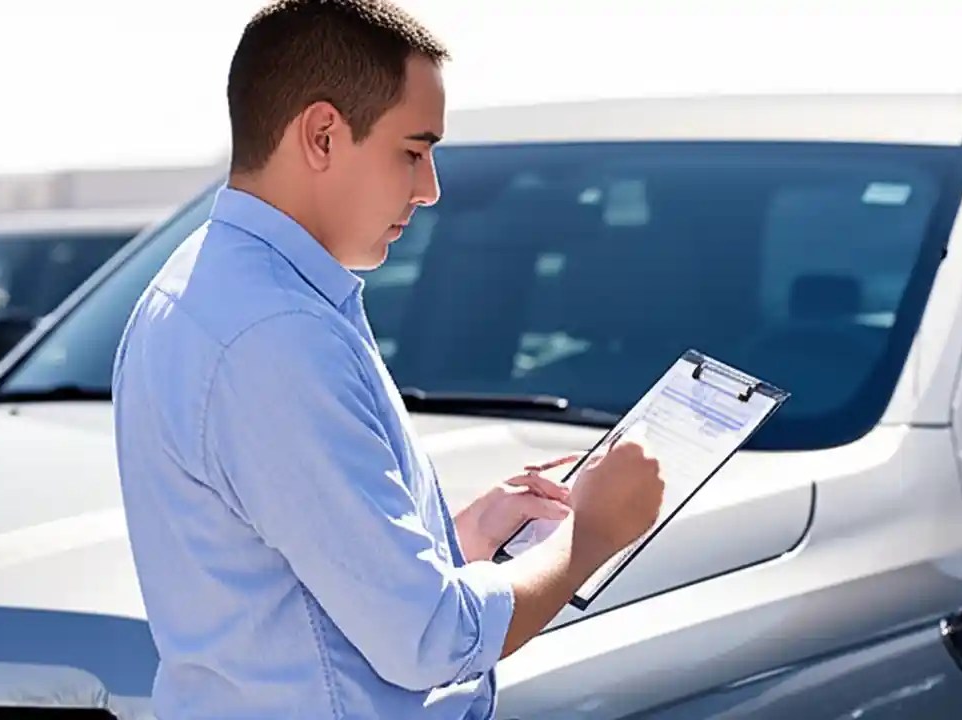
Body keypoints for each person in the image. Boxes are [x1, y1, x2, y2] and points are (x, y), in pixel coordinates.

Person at [110, 1, 666, 718]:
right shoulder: (275, 333)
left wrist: (461, 537)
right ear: (322, 135)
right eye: (412, 149)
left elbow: (296, 582)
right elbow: (428, 639)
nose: (429, 187)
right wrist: (593, 533)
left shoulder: (202, 287)